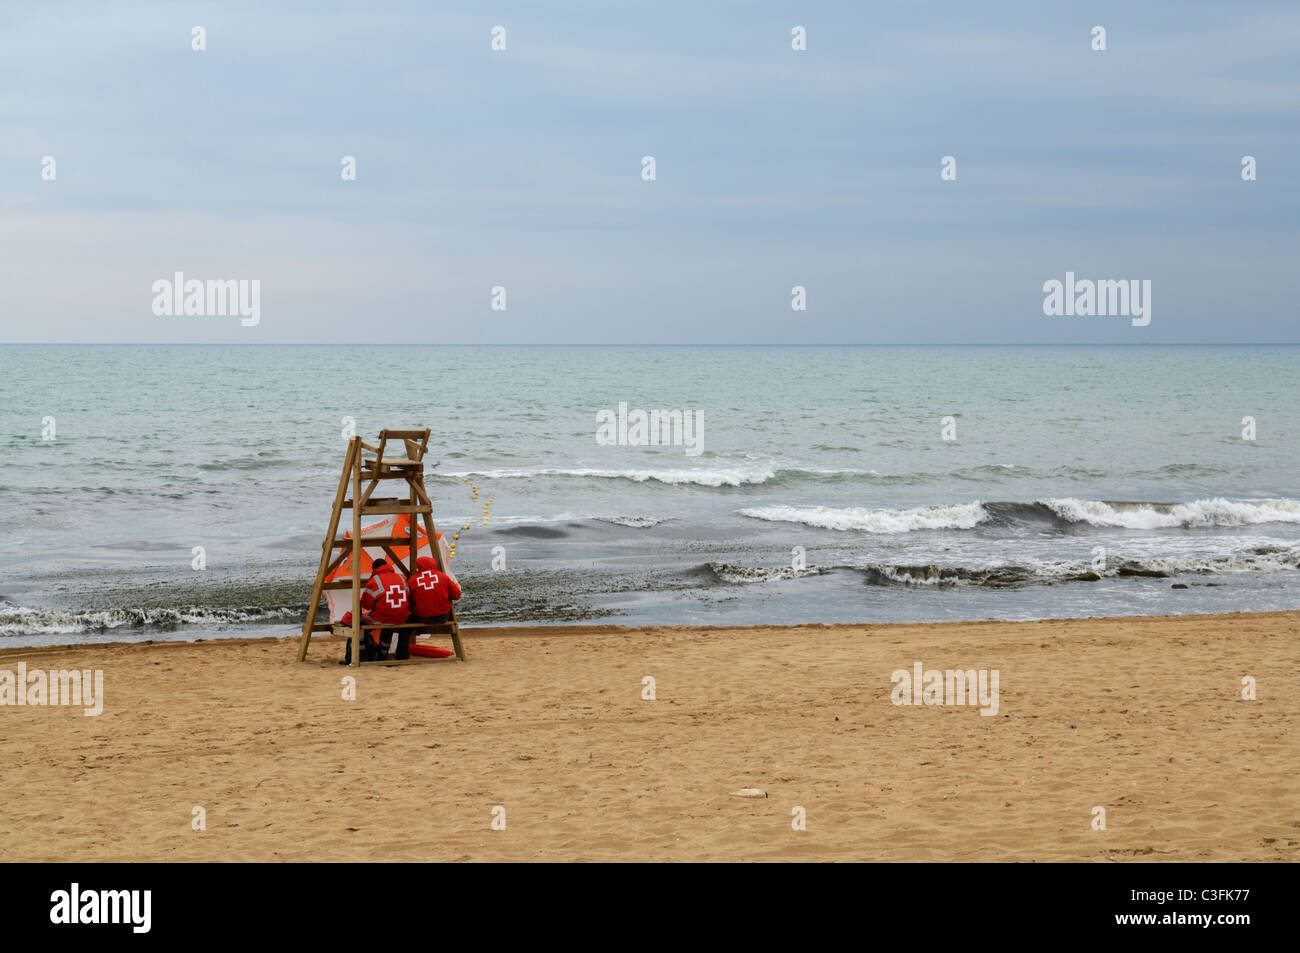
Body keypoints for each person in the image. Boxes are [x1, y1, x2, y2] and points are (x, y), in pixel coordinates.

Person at [339, 558, 411, 663]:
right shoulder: (401, 577)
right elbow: (408, 597)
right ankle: (382, 656)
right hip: (401, 617)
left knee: (354, 627)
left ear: (374, 569)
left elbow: (366, 604)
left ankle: (361, 657)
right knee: (389, 626)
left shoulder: (375, 580)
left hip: (382, 617)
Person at [407, 555, 462, 624]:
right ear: (433, 563)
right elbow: (457, 596)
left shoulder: (412, 580)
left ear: (418, 565)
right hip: (442, 617)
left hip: (422, 617)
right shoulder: (443, 577)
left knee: (405, 628)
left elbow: (409, 601)